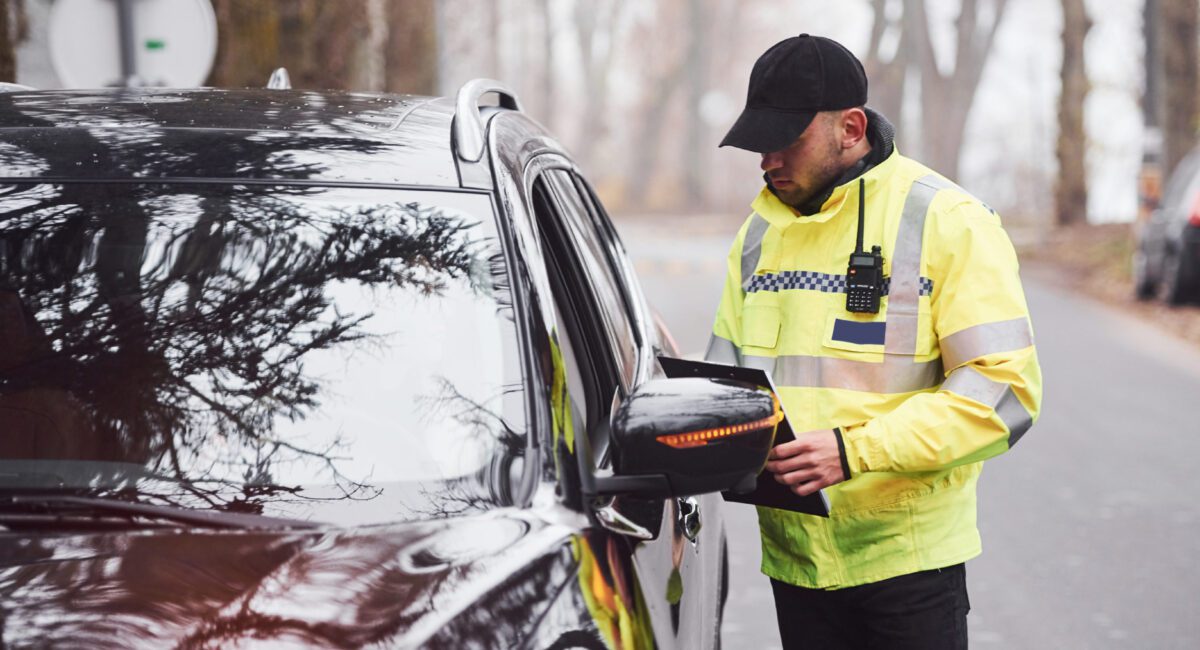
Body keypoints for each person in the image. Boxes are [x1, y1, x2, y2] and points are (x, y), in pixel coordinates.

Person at [707, 34, 1043, 649]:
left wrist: (852, 452)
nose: (767, 160)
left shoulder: (949, 220)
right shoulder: (759, 232)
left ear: (851, 127)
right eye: (760, 142)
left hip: (906, 568)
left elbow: (1004, 395)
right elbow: (725, 377)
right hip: (796, 564)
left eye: (787, 139)